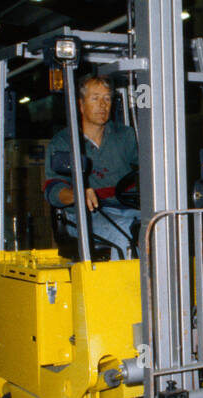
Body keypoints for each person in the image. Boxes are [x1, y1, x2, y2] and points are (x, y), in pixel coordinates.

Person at [43, 74, 139, 259]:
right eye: (95, 98)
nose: (102, 105)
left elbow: (148, 168)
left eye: (107, 99)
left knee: (161, 227)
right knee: (126, 235)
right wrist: (78, 195)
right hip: (84, 217)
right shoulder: (64, 142)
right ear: (81, 104)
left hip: (128, 209)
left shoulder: (125, 136)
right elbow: (53, 189)